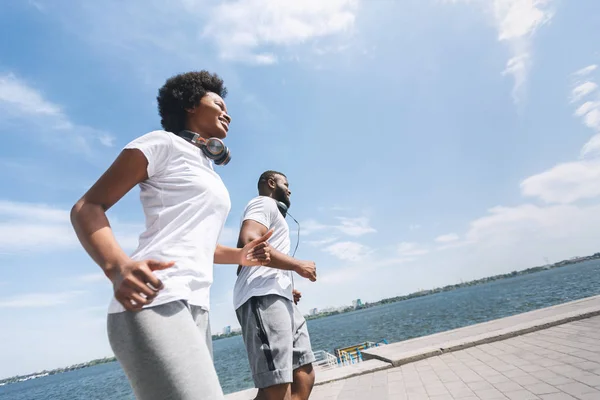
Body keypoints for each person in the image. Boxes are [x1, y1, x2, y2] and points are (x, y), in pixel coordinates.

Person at [70, 71, 273, 400]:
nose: (228, 113)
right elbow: (87, 207)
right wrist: (117, 266)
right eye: (218, 104)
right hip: (154, 300)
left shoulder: (206, 168)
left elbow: (195, 243)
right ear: (192, 105)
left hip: (197, 306)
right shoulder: (162, 144)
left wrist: (238, 256)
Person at [233, 170, 318, 400]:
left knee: (304, 375)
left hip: (281, 297)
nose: (290, 190)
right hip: (263, 295)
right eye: (286, 184)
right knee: (276, 389)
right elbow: (250, 241)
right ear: (271, 183)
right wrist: (298, 265)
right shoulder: (263, 203)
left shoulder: (276, 216)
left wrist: (286, 288)